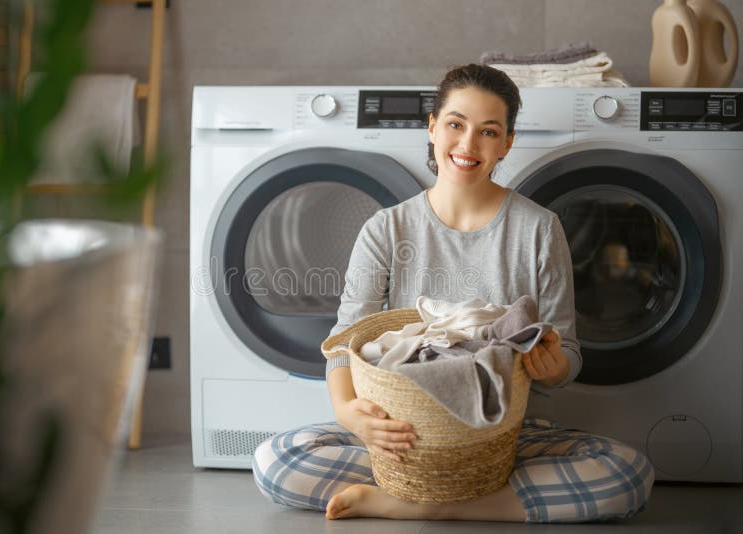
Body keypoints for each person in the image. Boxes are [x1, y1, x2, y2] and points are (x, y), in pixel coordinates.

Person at [253, 63, 654, 523]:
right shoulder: (386, 229)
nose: (468, 145)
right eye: (456, 125)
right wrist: (349, 415)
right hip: (404, 435)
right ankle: (484, 504)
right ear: (432, 127)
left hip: (500, 434)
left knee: (627, 472)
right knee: (275, 461)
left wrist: (554, 365)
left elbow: (568, 353)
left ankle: (414, 504)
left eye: (488, 132)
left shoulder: (540, 229)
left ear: (507, 143)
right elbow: (346, 339)